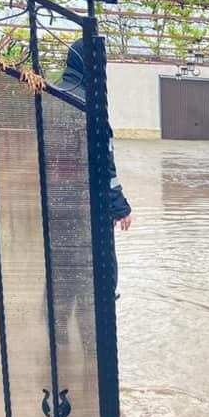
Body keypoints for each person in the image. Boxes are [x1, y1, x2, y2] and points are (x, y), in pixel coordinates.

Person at [54, 38, 132, 306]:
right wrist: (118, 206)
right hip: (88, 203)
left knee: (61, 264)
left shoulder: (49, 97)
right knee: (98, 262)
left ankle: (61, 334)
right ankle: (99, 316)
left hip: (53, 202)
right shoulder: (90, 106)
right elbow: (104, 164)